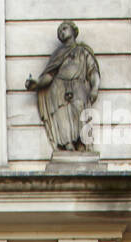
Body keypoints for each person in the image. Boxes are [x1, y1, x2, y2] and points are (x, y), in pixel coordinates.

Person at [25, 21, 101, 153]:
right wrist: (37, 84)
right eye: (59, 30)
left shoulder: (83, 51)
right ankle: (67, 144)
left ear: (73, 31)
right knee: (62, 116)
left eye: (64, 28)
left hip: (78, 86)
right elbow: (49, 75)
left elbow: (93, 71)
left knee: (79, 110)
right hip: (58, 88)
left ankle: (81, 143)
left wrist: (94, 88)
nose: (61, 31)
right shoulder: (57, 55)